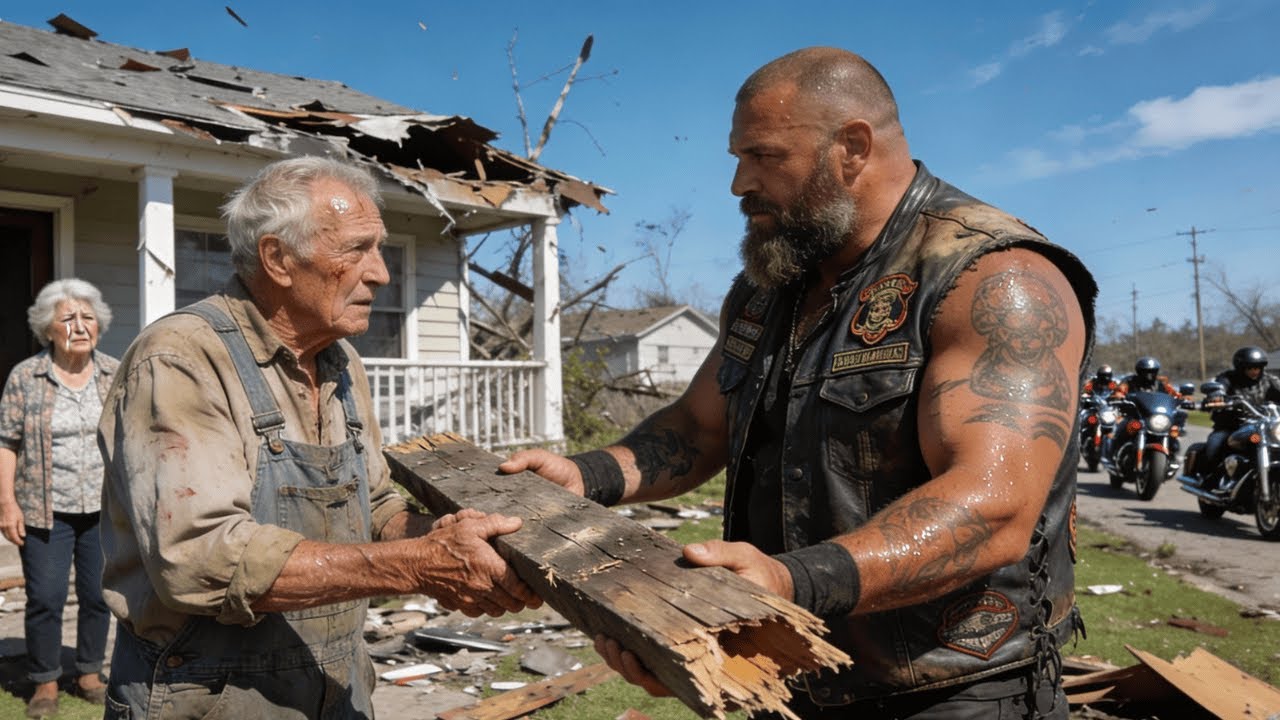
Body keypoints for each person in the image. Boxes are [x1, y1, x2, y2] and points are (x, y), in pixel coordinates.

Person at [502, 47, 1096, 719]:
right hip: (789, 671)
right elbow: (700, 426)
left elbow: (994, 504)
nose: (737, 184)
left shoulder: (994, 278)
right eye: (737, 157)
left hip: (950, 690)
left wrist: (789, 582)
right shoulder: (769, 288)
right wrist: (585, 476)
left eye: (763, 156)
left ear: (852, 147)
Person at [98, 156, 540, 718]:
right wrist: (417, 564)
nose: (380, 272)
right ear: (279, 258)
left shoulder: (339, 359)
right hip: (208, 692)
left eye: (378, 249)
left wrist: (456, 542)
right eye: (356, 249)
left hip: (334, 678)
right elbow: (199, 557)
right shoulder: (182, 357)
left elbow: (374, 506)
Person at [0, 279, 116, 717]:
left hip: (103, 510)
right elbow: (5, 441)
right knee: (46, 597)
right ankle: (45, 682)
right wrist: (6, 503)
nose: (80, 326)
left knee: (99, 594)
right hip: (45, 509)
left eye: (88, 318)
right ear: (48, 329)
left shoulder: (113, 372)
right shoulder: (26, 377)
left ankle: (88, 672)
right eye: (68, 318)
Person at [1199, 346, 1280, 481]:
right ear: (1241, 368)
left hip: (1261, 428)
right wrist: (1216, 396)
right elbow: (1219, 387)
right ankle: (1208, 482)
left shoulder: (1269, 380)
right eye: (1250, 368)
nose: (1254, 371)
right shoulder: (1228, 378)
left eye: (1257, 368)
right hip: (1231, 427)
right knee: (1214, 446)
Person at [1110, 356, 1180, 399]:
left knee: (1177, 421)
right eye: (1145, 371)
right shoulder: (1129, 381)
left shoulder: (1162, 382)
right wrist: (1119, 396)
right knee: (1122, 422)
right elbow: (1119, 391)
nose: (1149, 375)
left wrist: (1183, 399)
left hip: (1157, 413)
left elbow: (1174, 393)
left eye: (1152, 371)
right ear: (1139, 371)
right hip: (1135, 413)